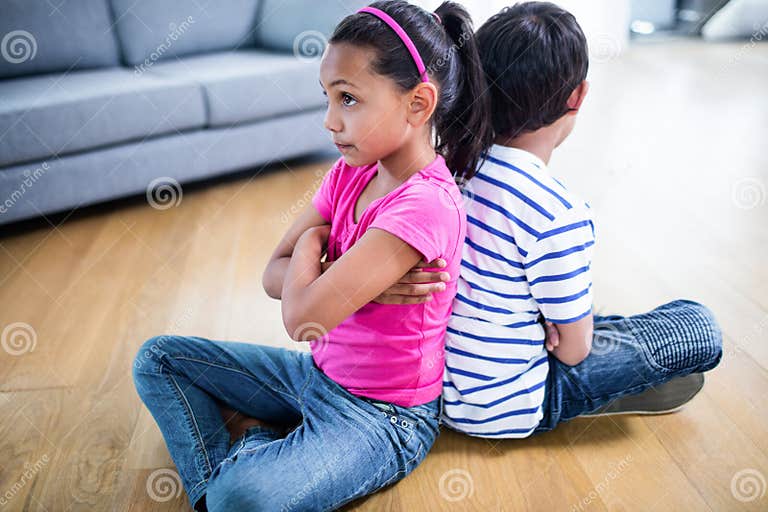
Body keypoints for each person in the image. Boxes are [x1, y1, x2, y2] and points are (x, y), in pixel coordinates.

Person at [132, 1, 492, 510]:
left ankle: (242, 464)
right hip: (315, 376)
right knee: (158, 359)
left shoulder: (425, 205)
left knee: (240, 498)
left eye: (348, 99)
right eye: (328, 97)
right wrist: (331, 270)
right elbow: (271, 276)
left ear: (418, 104)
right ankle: (245, 465)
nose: (329, 121)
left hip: (381, 416)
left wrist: (310, 247)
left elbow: (302, 319)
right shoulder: (350, 173)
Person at [416, 2, 723, 438]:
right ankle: (597, 378)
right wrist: (563, 331)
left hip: (434, 388)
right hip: (507, 404)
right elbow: (573, 353)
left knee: (580, 317)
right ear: (577, 96)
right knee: (698, 326)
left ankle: (571, 320)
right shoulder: (556, 213)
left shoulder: (448, 165)